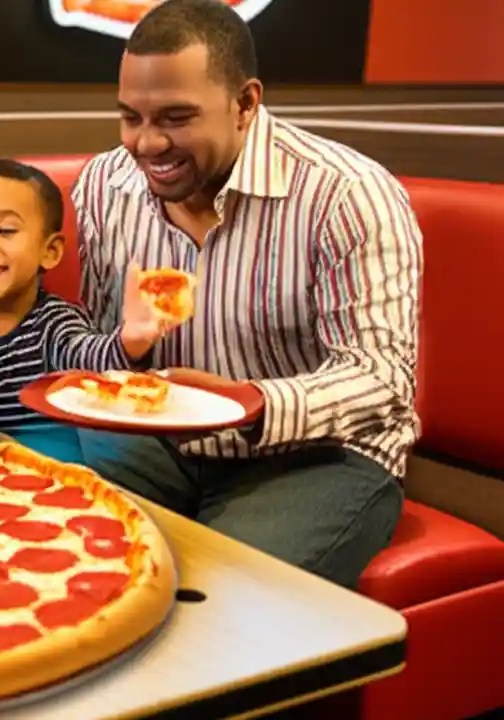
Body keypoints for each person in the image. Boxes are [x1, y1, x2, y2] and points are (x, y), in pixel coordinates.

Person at [71, 0, 419, 587]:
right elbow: (104, 340)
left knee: (218, 593)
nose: (148, 145)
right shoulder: (105, 185)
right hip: (159, 442)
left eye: (176, 118)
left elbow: (382, 378)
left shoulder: (346, 195)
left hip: (317, 458)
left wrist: (251, 403)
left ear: (246, 104)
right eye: (131, 116)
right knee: (58, 541)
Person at [0, 159, 170, 461]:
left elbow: (92, 359)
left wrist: (132, 340)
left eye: (6, 230)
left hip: (41, 473)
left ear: (50, 251)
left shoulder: (55, 325)